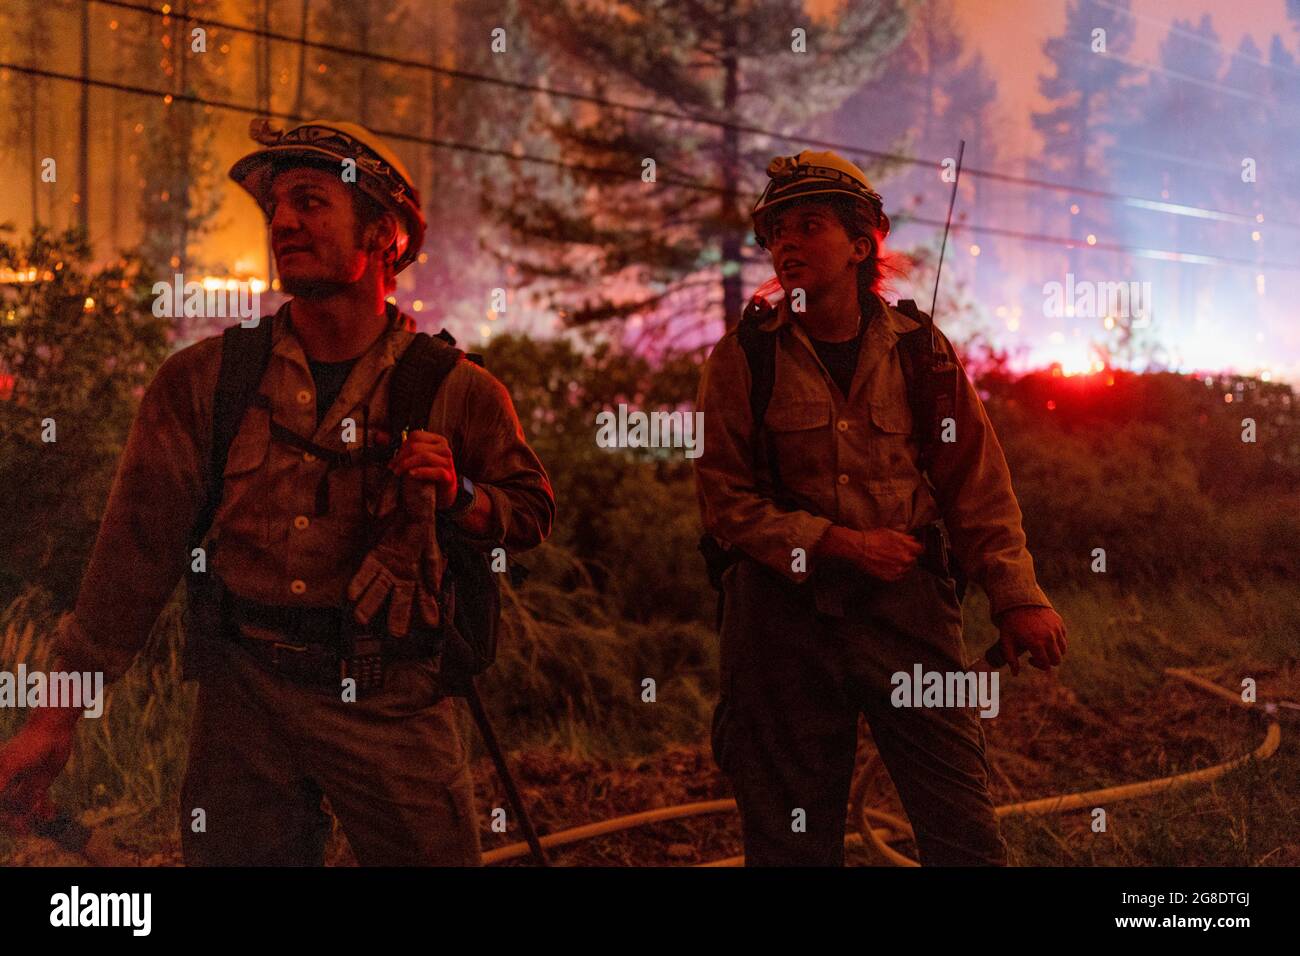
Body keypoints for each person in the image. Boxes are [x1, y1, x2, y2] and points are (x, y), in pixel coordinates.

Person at [0, 119, 555, 865]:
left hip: (390, 702)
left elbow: (529, 512)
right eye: (276, 209)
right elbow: (129, 563)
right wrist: (52, 721)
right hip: (243, 703)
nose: (284, 221)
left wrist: (458, 496)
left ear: (383, 235)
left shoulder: (459, 392)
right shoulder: (205, 382)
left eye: (311, 201)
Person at [694, 149, 1068, 866]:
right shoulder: (743, 359)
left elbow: (976, 486)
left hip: (908, 614)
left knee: (961, 829)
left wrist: (1017, 598)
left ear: (862, 245)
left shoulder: (920, 353)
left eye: (810, 226)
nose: (789, 245)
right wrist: (836, 542)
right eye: (777, 233)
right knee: (791, 841)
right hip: (780, 620)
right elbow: (725, 503)